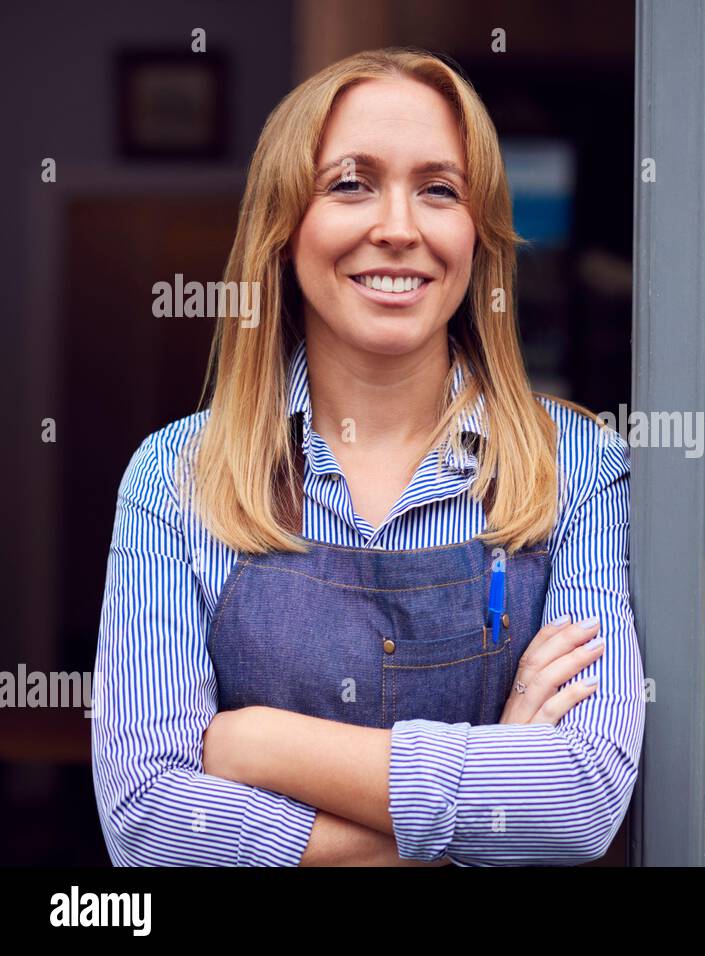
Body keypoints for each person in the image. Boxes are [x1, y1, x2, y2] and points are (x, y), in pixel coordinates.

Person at [90, 48, 644, 866]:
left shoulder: (580, 467)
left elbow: (579, 800)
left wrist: (261, 745)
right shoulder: (175, 479)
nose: (398, 226)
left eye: (439, 189)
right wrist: (484, 788)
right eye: (351, 183)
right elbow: (150, 824)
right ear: (286, 228)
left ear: (478, 233)